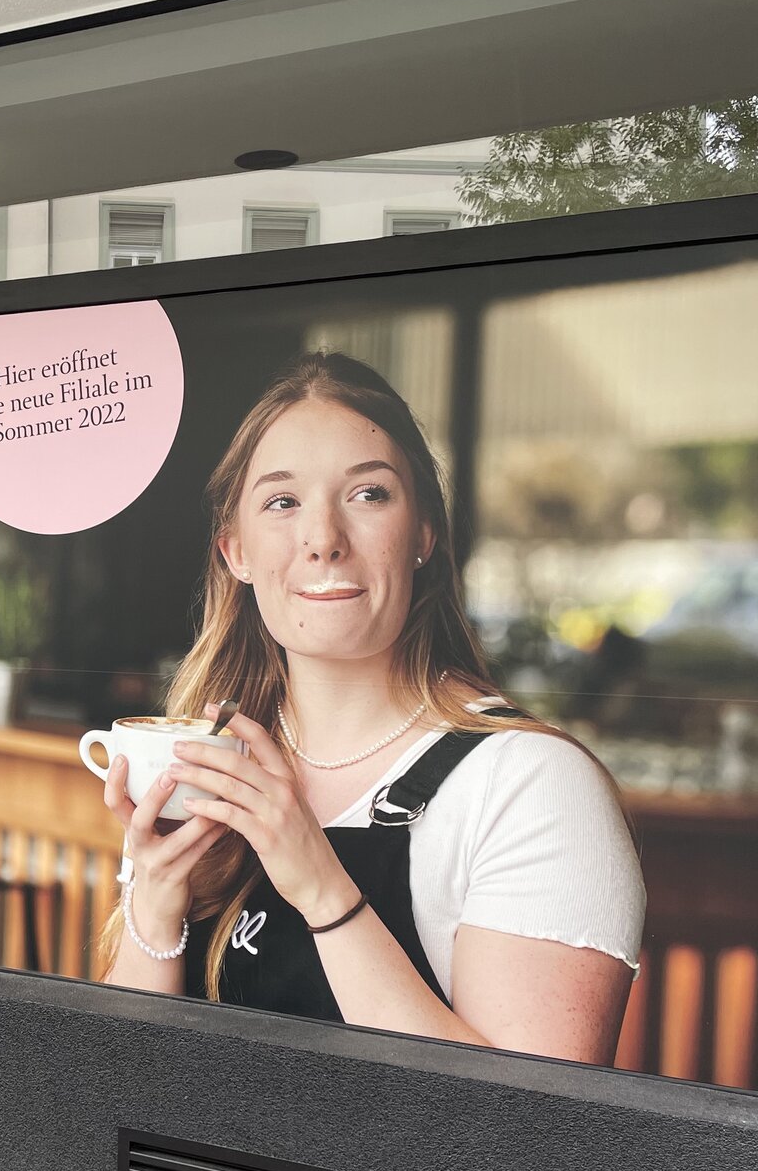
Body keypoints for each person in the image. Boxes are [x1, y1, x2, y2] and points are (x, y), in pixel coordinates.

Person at [98, 352, 644, 1067]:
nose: (323, 539)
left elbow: (526, 1125)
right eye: (282, 502)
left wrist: (324, 890)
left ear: (423, 535)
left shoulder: (531, 787)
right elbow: (123, 1078)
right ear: (236, 552)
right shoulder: (204, 763)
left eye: (368, 494)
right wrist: (157, 897)